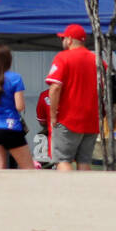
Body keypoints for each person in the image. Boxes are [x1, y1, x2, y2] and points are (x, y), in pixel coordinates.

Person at [45, 24, 99, 171]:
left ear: (69, 40)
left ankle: (68, 187)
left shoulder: (63, 57)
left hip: (68, 118)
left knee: (62, 160)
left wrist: (53, 115)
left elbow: (55, 87)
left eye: (63, 38)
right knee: (84, 161)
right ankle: (85, 187)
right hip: (92, 119)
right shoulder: (97, 60)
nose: (62, 41)